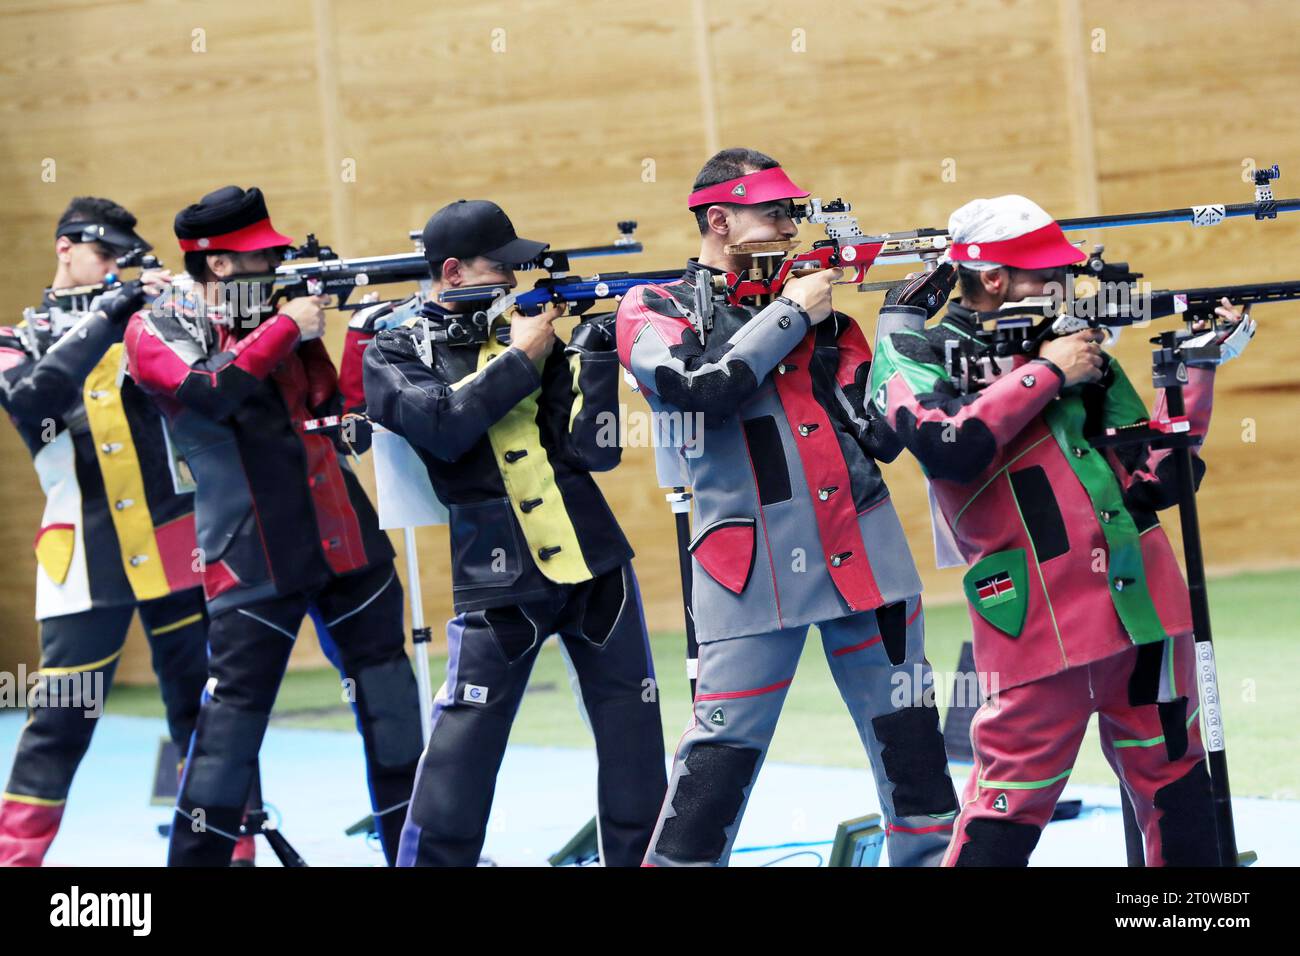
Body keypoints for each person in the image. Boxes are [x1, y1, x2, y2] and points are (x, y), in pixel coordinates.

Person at [867, 194, 1255, 865]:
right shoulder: (917, 350)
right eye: (1046, 273)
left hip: (1145, 615)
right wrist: (1046, 373)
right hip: (1034, 624)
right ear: (993, 278)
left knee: (1178, 784)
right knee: (1007, 808)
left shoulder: (1075, 348)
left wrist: (1196, 371)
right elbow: (946, 446)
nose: (1062, 285)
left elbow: (1160, 481)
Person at [615, 148, 958, 867]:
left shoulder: (822, 317)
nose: (791, 228)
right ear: (719, 220)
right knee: (714, 774)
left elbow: (881, 435)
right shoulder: (653, 307)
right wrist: (787, 315)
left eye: (793, 213)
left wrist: (898, 324)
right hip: (749, 576)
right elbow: (698, 384)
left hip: (868, 561)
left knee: (916, 756)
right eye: (774, 214)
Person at [124, 186, 423, 865]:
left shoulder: (267, 314)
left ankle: (417, 855)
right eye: (262, 257)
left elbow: (331, 411)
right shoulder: (154, 326)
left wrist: (358, 333)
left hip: (346, 541)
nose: (276, 266)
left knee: (392, 706)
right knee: (228, 729)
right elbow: (206, 389)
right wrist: (287, 325)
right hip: (252, 556)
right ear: (220, 265)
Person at [363, 199, 666, 866]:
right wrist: (524, 355)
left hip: (598, 568)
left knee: (635, 747)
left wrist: (589, 356)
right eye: (498, 268)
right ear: (451, 271)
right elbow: (444, 428)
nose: (511, 282)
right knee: (460, 758)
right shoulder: (392, 348)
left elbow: (596, 454)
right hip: (496, 581)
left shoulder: (529, 336)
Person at [0, 198, 209, 866]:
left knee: (203, 710)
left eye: (127, 262)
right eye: (109, 257)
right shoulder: (14, 339)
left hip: (177, 545)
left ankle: (222, 850)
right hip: (83, 557)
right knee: (60, 723)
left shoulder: (145, 324)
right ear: (67, 248)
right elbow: (34, 397)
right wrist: (107, 315)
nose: (119, 271)